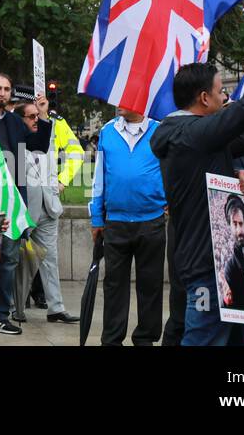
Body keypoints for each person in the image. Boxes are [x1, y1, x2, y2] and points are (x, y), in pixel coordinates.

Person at [149, 23, 244, 346]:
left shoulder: (197, 137)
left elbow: (238, 141)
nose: (225, 97)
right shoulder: (193, 135)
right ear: (204, 98)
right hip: (206, 268)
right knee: (200, 338)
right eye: (220, 92)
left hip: (223, 264)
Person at [90, 105, 167, 346]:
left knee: (151, 285)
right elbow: (98, 177)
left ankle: (145, 339)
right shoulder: (107, 131)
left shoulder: (160, 131)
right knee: (114, 285)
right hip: (116, 222)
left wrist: (168, 198)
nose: (117, 102)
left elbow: (170, 169)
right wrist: (96, 217)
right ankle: (112, 340)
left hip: (151, 221)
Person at [0, 72, 49, 333]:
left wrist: (42, 116)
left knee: (9, 260)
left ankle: (1, 314)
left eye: (7, 89)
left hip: (11, 204)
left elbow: (39, 145)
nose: (2, 93)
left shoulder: (14, 121)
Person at [18, 97, 78, 323]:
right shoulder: (15, 138)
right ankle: (16, 308)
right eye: (31, 116)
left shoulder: (49, 129)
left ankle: (56, 308)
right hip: (25, 210)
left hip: (49, 206)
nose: (36, 119)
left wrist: (62, 181)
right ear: (20, 118)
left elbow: (73, 153)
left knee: (50, 260)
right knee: (20, 261)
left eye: (37, 115)